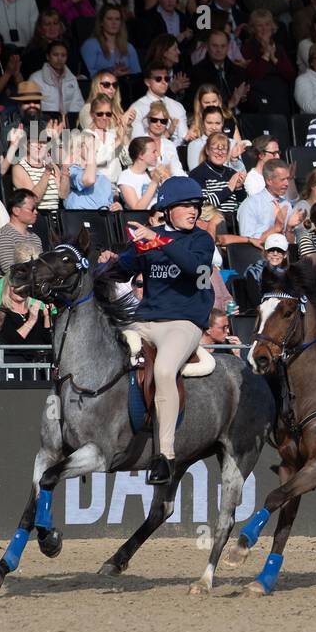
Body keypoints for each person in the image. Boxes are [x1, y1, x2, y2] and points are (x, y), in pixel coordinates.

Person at [110, 177, 216, 483]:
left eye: (196, 205)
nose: (193, 210)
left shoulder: (201, 240)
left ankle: (165, 456)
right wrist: (102, 266)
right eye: (185, 205)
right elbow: (123, 269)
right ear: (167, 209)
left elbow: (194, 269)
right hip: (145, 321)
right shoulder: (149, 238)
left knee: (166, 370)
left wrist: (157, 241)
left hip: (183, 323)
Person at [0, 189, 44, 275]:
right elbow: (10, 270)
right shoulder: (4, 236)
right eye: (32, 209)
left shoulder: (35, 238)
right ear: (16, 211)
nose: (36, 212)